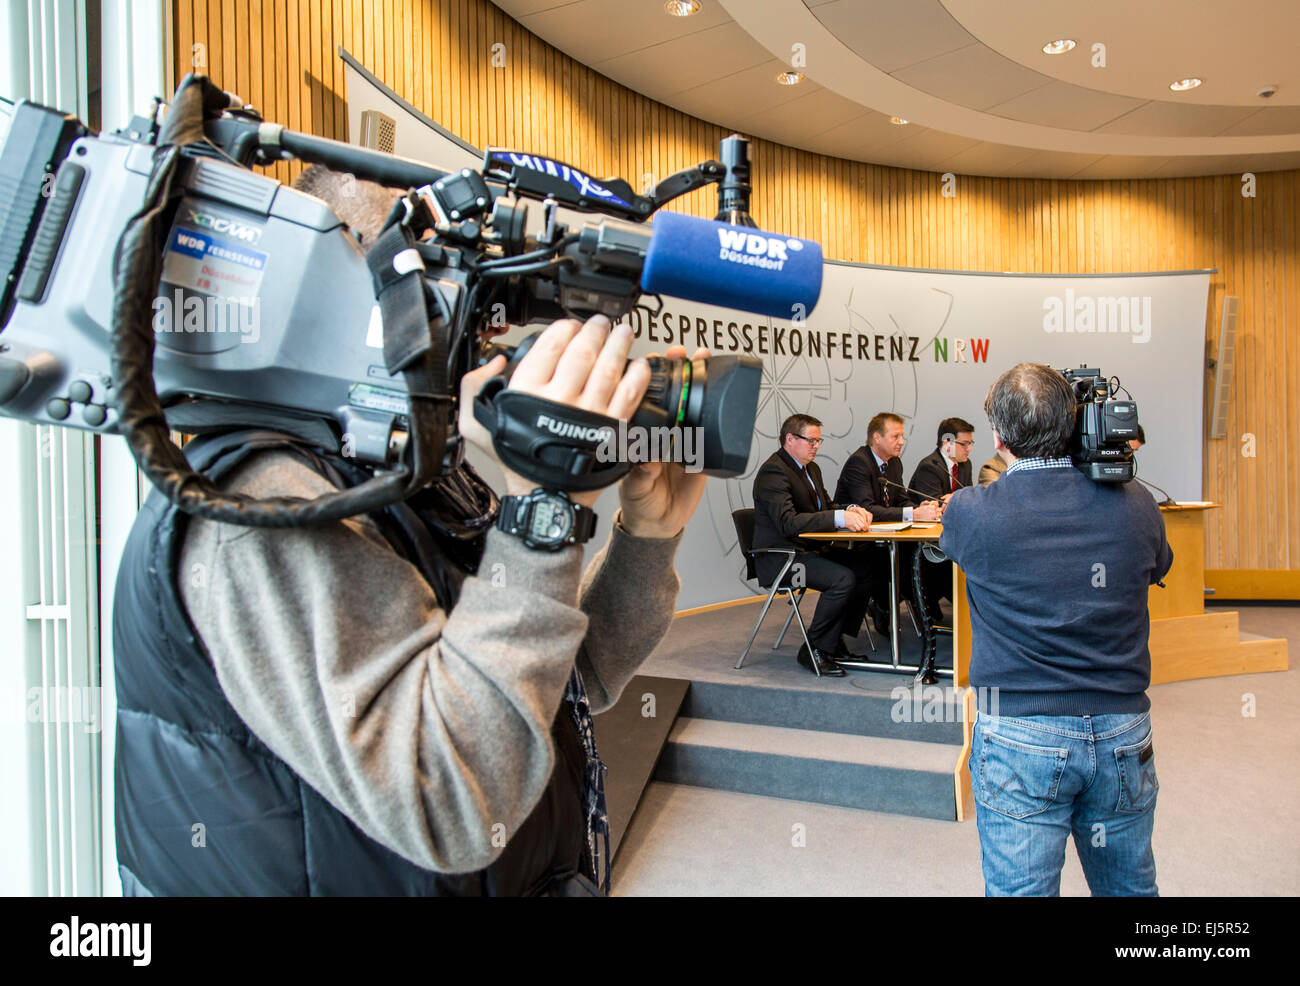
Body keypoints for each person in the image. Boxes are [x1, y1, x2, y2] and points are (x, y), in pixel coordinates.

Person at [112, 167, 709, 897]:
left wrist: (646, 539)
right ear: (319, 284)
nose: (461, 314)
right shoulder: (262, 506)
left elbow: (555, 683)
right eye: (421, 277)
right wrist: (544, 509)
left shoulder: (396, 465)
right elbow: (449, 800)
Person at [939, 363, 1173, 897]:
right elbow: (1158, 568)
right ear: (1074, 423)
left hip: (1021, 733)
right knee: (1131, 892)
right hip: (1122, 730)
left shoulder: (972, 512)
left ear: (997, 437)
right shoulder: (1136, 502)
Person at [750, 414, 875, 676]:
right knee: (841, 579)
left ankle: (835, 640)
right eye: (812, 441)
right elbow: (788, 523)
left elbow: (826, 507)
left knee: (866, 565)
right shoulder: (774, 471)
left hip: (809, 551)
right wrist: (839, 517)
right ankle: (813, 648)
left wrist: (851, 509)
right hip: (783, 559)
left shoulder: (811, 469)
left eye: (819, 441)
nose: (816, 446)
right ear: (790, 439)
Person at [834, 412, 943, 632]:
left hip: (885, 539)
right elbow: (869, 509)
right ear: (877, 438)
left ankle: (918, 607)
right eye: (896, 436)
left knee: (925, 555)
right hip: (854, 542)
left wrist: (920, 508)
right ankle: (888, 607)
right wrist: (912, 515)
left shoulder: (894, 464)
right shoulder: (859, 462)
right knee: (899, 561)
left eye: (902, 436)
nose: (902, 442)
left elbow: (900, 498)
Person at [908, 417, 975, 618]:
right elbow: (936, 508)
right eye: (965, 444)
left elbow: (967, 499)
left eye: (971, 444)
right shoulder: (929, 467)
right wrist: (957, 501)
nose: (969, 449)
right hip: (924, 543)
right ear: (947, 443)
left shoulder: (965, 465)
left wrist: (956, 498)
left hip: (950, 535)